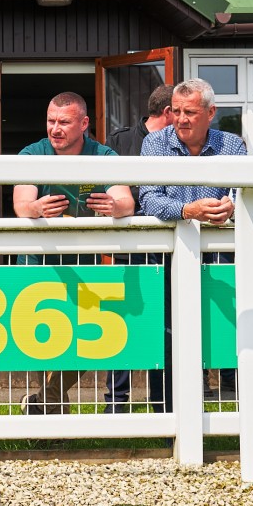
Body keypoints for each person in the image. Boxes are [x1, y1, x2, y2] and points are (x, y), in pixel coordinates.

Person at [13, 92, 134, 416]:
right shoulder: (32, 153)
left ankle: (45, 402)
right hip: (38, 265)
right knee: (44, 340)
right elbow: (20, 202)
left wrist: (115, 207)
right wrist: (34, 208)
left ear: (83, 124)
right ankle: (51, 413)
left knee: (93, 337)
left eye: (64, 122)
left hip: (85, 267)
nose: (55, 128)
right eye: (51, 121)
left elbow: (126, 201)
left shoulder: (103, 155)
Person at [138, 78, 248, 406]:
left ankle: (232, 409)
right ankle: (166, 409)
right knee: (167, 334)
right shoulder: (155, 143)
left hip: (221, 257)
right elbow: (148, 199)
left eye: (190, 112)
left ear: (211, 112)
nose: (181, 119)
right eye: (176, 111)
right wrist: (189, 211)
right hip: (168, 257)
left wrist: (231, 207)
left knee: (226, 329)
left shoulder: (233, 145)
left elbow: (246, 195)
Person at [103, 83, 173, 410]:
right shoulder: (119, 142)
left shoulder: (181, 145)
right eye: (182, 112)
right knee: (124, 322)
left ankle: (164, 403)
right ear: (169, 111)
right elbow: (104, 189)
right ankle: (116, 404)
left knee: (168, 327)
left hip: (172, 247)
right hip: (129, 248)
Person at [106, 83, 174, 158]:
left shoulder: (179, 143)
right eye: (178, 111)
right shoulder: (118, 140)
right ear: (167, 111)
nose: (182, 118)